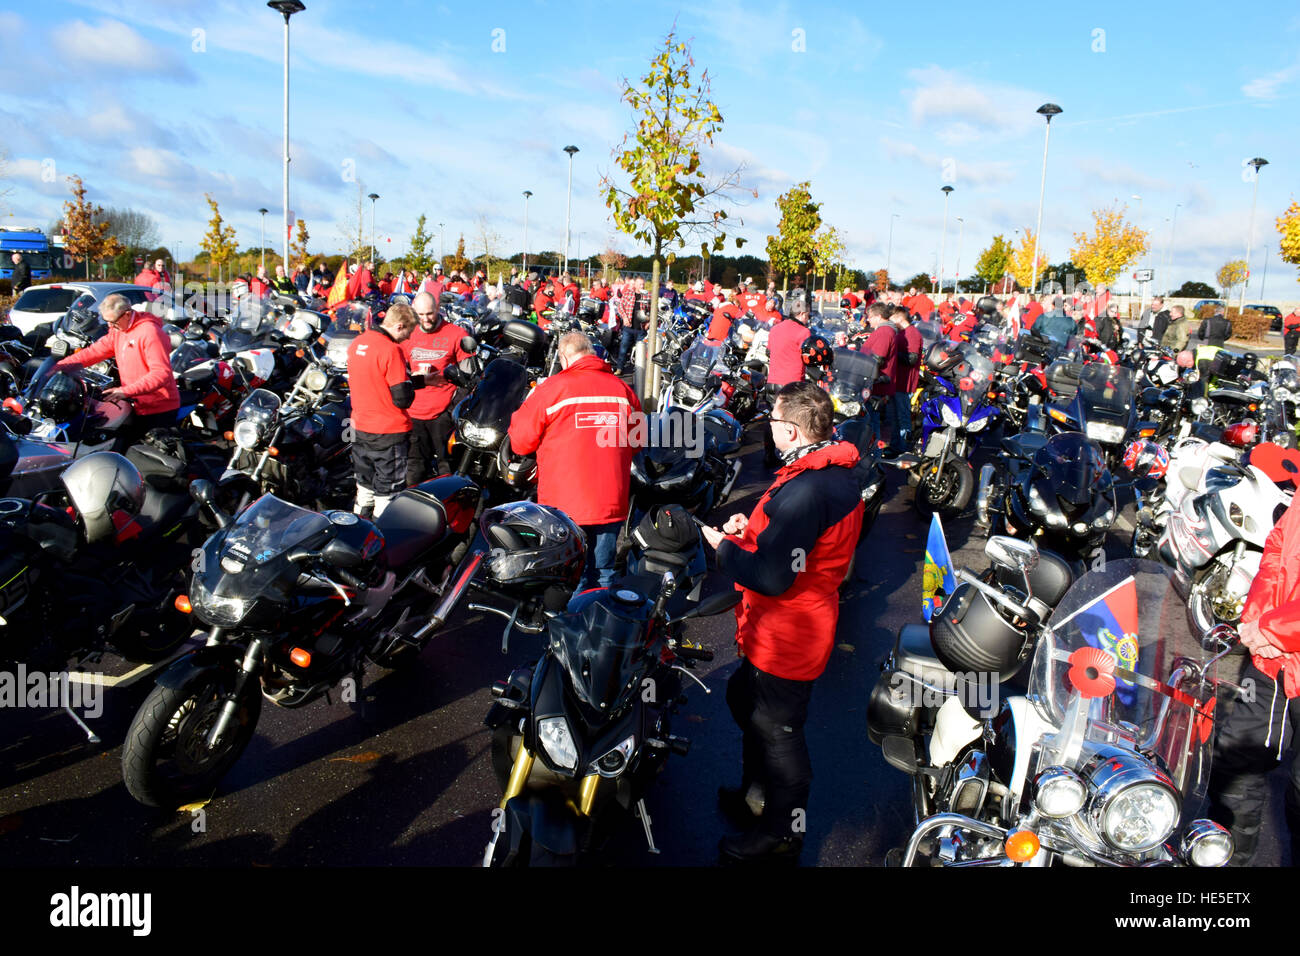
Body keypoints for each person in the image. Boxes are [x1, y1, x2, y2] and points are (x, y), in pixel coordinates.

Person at [699, 381, 864, 864]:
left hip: (790, 631)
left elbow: (773, 576)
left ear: (790, 430)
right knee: (744, 700)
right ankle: (757, 793)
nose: (767, 429)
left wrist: (723, 548)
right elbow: (788, 538)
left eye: (771, 421)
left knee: (779, 733)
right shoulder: (827, 468)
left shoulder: (811, 487)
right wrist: (746, 531)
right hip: (780, 625)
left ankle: (781, 831)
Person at [1207, 478, 1300, 866]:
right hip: (1272, 658)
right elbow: (1280, 545)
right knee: (1234, 759)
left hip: (1283, 641)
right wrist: (1258, 620)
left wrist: (1275, 630)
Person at [508, 332, 642, 590]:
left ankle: (570, 625)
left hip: (564, 503)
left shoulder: (551, 390)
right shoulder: (622, 390)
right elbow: (637, 441)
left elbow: (520, 442)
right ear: (592, 353)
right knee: (603, 571)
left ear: (563, 357)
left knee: (571, 573)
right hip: (610, 499)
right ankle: (601, 625)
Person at [53, 294, 180, 450]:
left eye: (113, 322)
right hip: (135, 402)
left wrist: (125, 391)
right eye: (107, 322)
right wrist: (60, 366)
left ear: (127, 314)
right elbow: (96, 351)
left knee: (150, 458)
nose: (111, 327)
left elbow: (161, 374)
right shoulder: (119, 330)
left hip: (157, 408)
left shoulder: (150, 333)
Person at [346, 300, 421, 518]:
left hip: (360, 427)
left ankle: (358, 531)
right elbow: (402, 398)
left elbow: (376, 381)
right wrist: (411, 384)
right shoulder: (391, 350)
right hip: (388, 432)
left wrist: (422, 381)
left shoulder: (358, 343)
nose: (408, 338)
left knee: (365, 487)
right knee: (388, 493)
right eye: (408, 332)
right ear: (399, 326)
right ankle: (383, 541)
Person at [402, 292, 471, 484]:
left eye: (430, 314)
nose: (426, 319)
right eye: (421, 315)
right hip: (414, 412)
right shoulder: (408, 333)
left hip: (443, 414)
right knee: (414, 467)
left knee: (446, 466)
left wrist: (452, 410)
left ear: (438, 309)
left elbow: (469, 376)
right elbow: (398, 369)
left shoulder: (456, 334)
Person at [764, 302, 812, 467]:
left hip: (772, 381)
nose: (808, 319)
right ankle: (791, 458)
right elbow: (808, 357)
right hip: (791, 382)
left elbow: (769, 350)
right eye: (808, 315)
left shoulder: (776, 328)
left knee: (772, 419)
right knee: (793, 421)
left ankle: (769, 455)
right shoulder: (804, 332)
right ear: (802, 314)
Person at [860, 303, 897, 452]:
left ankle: (875, 457)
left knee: (872, 424)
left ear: (878, 316)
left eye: (870, 317)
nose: (868, 321)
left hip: (876, 385)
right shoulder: (885, 331)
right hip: (875, 384)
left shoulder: (884, 332)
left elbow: (877, 359)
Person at [890, 308, 922, 454]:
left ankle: (903, 449)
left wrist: (893, 352)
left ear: (899, 319)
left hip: (904, 383)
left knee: (903, 418)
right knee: (894, 417)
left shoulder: (912, 334)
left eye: (892, 320)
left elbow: (912, 358)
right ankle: (896, 446)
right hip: (897, 382)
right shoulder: (902, 333)